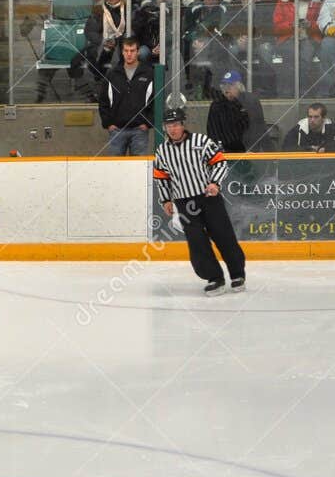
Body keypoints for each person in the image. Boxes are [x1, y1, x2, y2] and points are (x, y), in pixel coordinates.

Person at [154, 106, 245, 295]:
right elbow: (161, 177)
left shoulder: (201, 141)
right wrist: (165, 200)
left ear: (183, 124)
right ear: (165, 128)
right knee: (197, 242)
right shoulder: (162, 151)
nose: (173, 129)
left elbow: (219, 161)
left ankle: (237, 274)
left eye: (176, 124)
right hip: (184, 203)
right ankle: (215, 278)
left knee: (223, 235)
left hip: (208, 197)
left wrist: (215, 183)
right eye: (168, 125)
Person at [98, 36, 155, 155]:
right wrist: (108, 123)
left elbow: (155, 100)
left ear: (138, 52)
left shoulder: (149, 73)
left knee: (139, 169)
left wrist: (148, 122)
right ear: (122, 52)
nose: (129, 54)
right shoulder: (112, 74)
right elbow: (103, 101)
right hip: (117, 130)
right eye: (126, 50)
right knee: (115, 169)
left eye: (132, 51)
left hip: (139, 130)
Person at [206, 69, 267, 151]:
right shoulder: (216, 106)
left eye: (230, 86)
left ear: (239, 87)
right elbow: (212, 133)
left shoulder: (251, 102)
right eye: (224, 86)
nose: (226, 89)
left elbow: (260, 128)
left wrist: (271, 156)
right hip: (227, 154)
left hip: (250, 153)